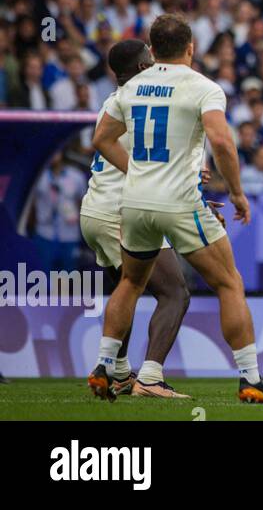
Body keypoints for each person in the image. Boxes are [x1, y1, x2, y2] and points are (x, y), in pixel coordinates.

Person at [88, 14, 263, 404]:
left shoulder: (131, 86)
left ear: (153, 48)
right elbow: (222, 142)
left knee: (130, 282)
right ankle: (249, 378)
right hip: (179, 202)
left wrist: (140, 173)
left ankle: (104, 366)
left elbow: (101, 139)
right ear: (191, 48)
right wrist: (238, 194)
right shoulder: (203, 87)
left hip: (134, 204)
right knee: (229, 282)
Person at [80, 39, 194, 398]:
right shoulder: (143, 101)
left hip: (94, 209)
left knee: (126, 290)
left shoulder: (111, 103)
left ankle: (119, 372)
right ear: (145, 68)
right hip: (122, 211)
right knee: (175, 291)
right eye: (151, 59)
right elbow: (157, 164)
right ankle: (150, 377)